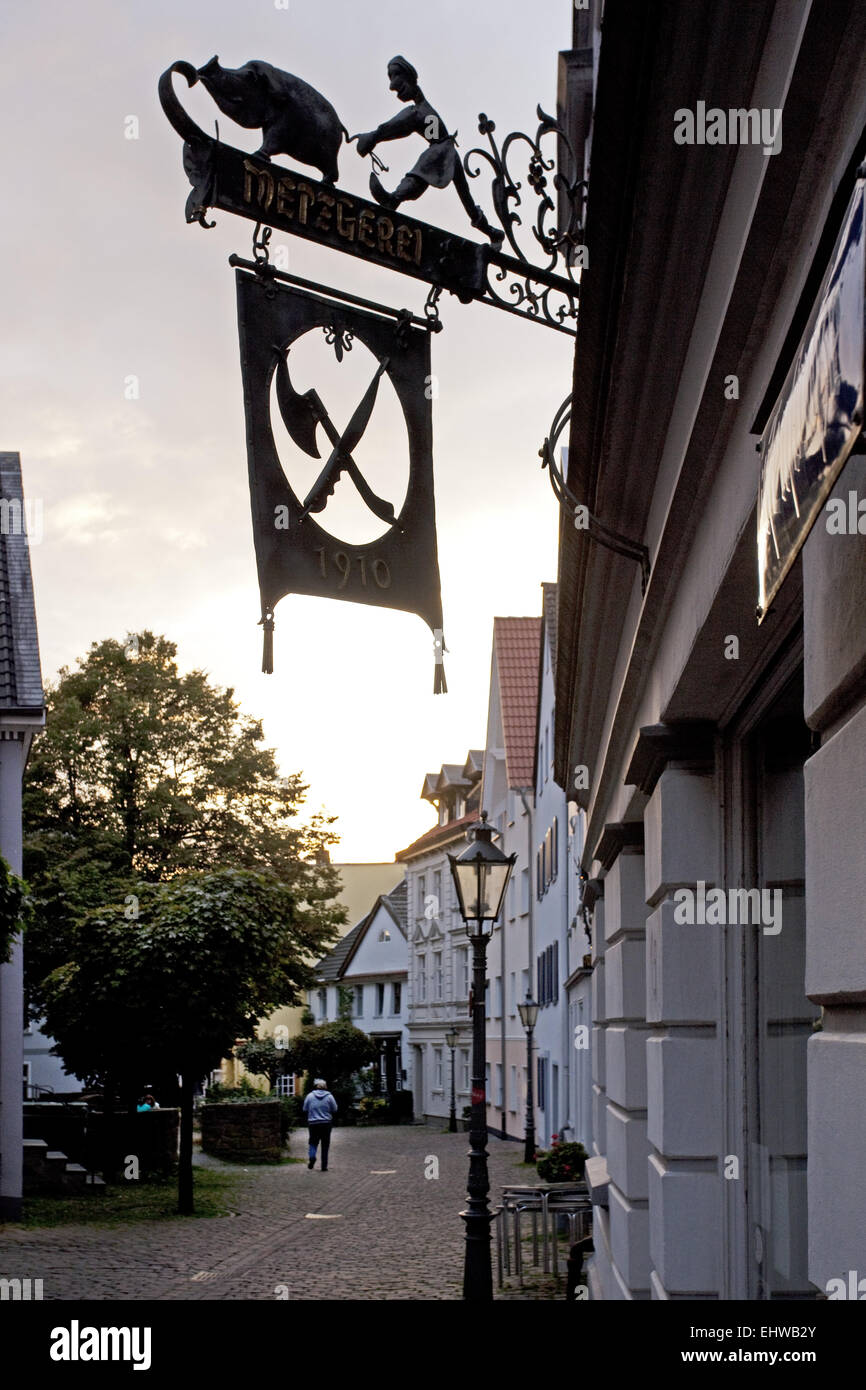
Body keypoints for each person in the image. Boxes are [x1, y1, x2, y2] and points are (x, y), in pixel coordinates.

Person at [354, 56, 504, 245]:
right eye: (391, 77)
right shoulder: (418, 110)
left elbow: (401, 124)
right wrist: (375, 136)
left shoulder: (418, 111)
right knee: (466, 199)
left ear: (409, 76)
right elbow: (404, 125)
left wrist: (374, 137)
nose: (392, 85)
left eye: (396, 75)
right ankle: (493, 233)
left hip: (443, 149)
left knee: (428, 166)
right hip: (446, 150)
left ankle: (394, 199)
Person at [303, 1079, 338, 1170]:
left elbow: (304, 1109)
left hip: (313, 1123)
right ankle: (324, 1166)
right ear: (325, 1086)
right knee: (325, 1145)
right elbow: (335, 1109)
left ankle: (312, 1156)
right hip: (326, 1123)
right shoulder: (329, 1096)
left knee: (313, 1142)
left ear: (316, 1086)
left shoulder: (310, 1096)